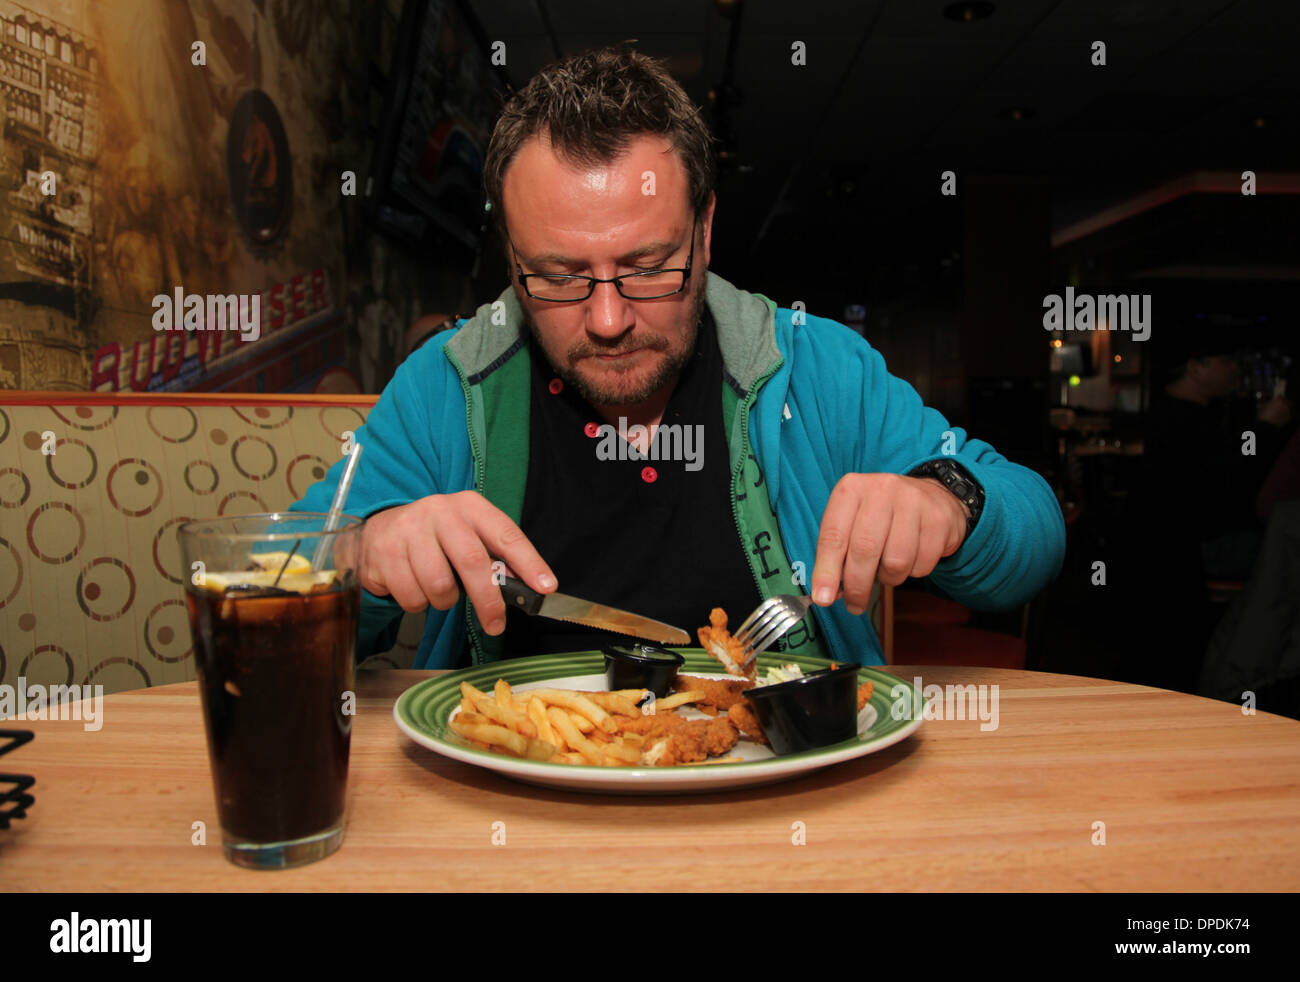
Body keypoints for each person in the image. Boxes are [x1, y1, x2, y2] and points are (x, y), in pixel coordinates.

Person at [293, 47, 1065, 668]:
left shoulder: (816, 367)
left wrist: (949, 500)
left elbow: (1034, 538)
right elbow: (277, 591)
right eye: (558, 276)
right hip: (512, 825)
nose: (605, 319)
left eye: (649, 266)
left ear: (704, 231)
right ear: (511, 255)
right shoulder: (445, 383)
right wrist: (359, 557)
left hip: (782, 804)